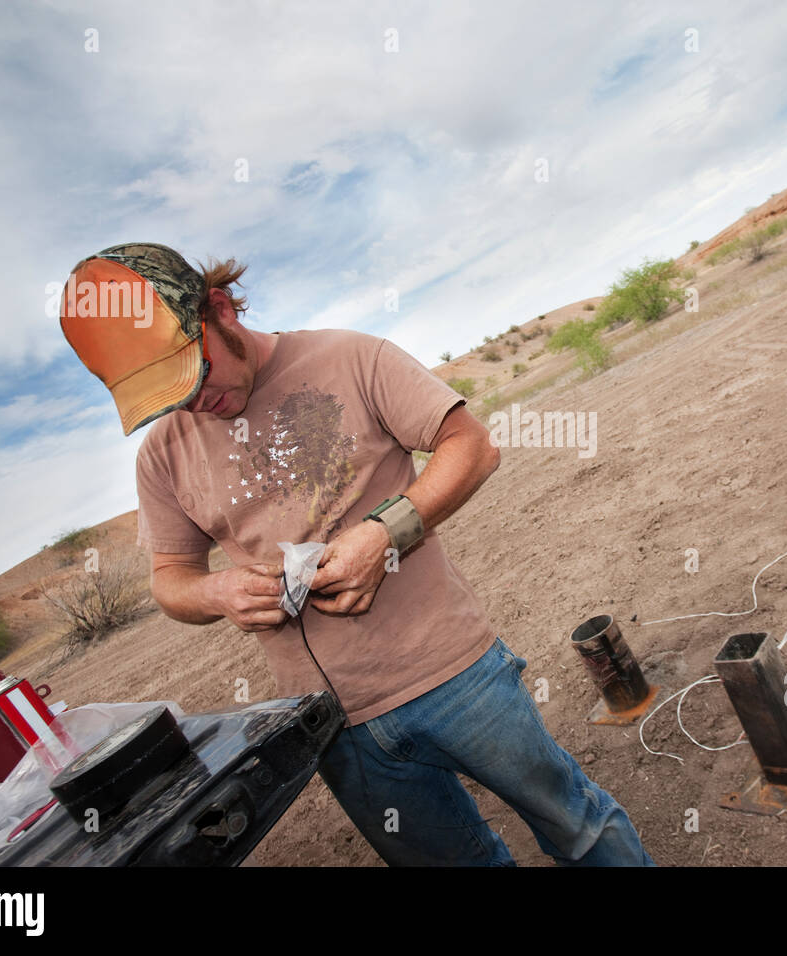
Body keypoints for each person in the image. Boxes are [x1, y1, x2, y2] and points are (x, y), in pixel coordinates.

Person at [59, 241, 654, 867]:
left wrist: (385, 532)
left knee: (575, 824)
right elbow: (169, 580)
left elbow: (472, 446)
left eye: (194, 373)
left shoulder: (349, 356)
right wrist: (216, 592)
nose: (193, 401)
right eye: (168, 395)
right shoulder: (162, 455)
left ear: (221, 308)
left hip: (454, 676)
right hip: (329, 726)